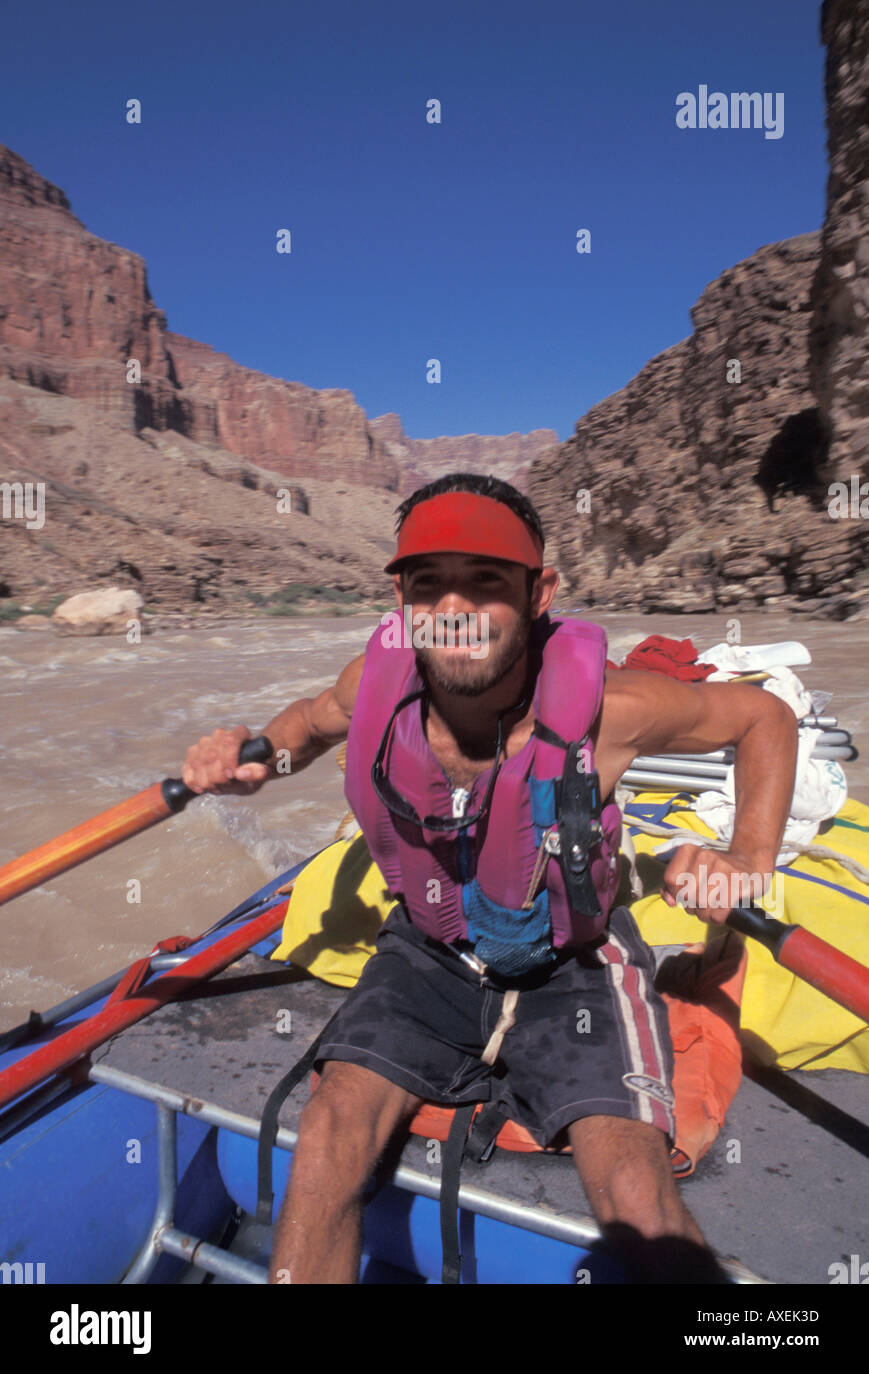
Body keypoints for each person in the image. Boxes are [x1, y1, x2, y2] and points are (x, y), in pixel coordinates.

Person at [182, 473, 798, 1284]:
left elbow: (764, 718)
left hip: (574, 962)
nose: (455, 609)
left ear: (539, 592)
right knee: (330, 1134)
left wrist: (747, 857)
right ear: (399, 597)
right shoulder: (372, 685)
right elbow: (306, 723)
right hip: (427, 950)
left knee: (634, 1195)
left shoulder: (613, 709)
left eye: (486, 581)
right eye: (428, 583)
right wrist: (258, 759)